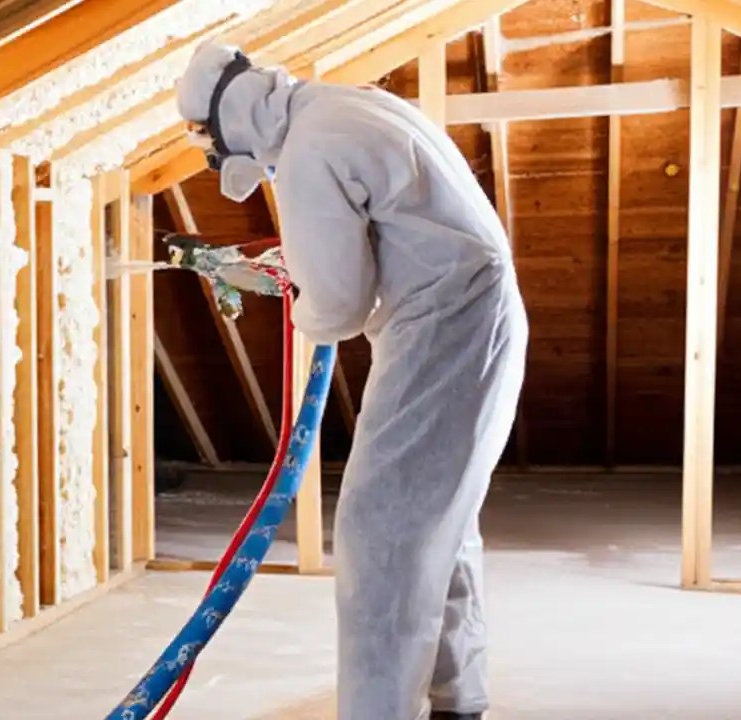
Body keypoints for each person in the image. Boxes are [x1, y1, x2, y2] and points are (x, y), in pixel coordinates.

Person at [174, 42, 529, 720]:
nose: (213, 155)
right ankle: (459, 699)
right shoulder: (347, 107)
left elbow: (337, 306)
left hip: (444, 329)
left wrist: (301, 295)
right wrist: (301, 263)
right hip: (472, 316)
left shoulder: (309, 150)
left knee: (383, 533)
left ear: (231, 120)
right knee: (436, 521)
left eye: (206, 140)